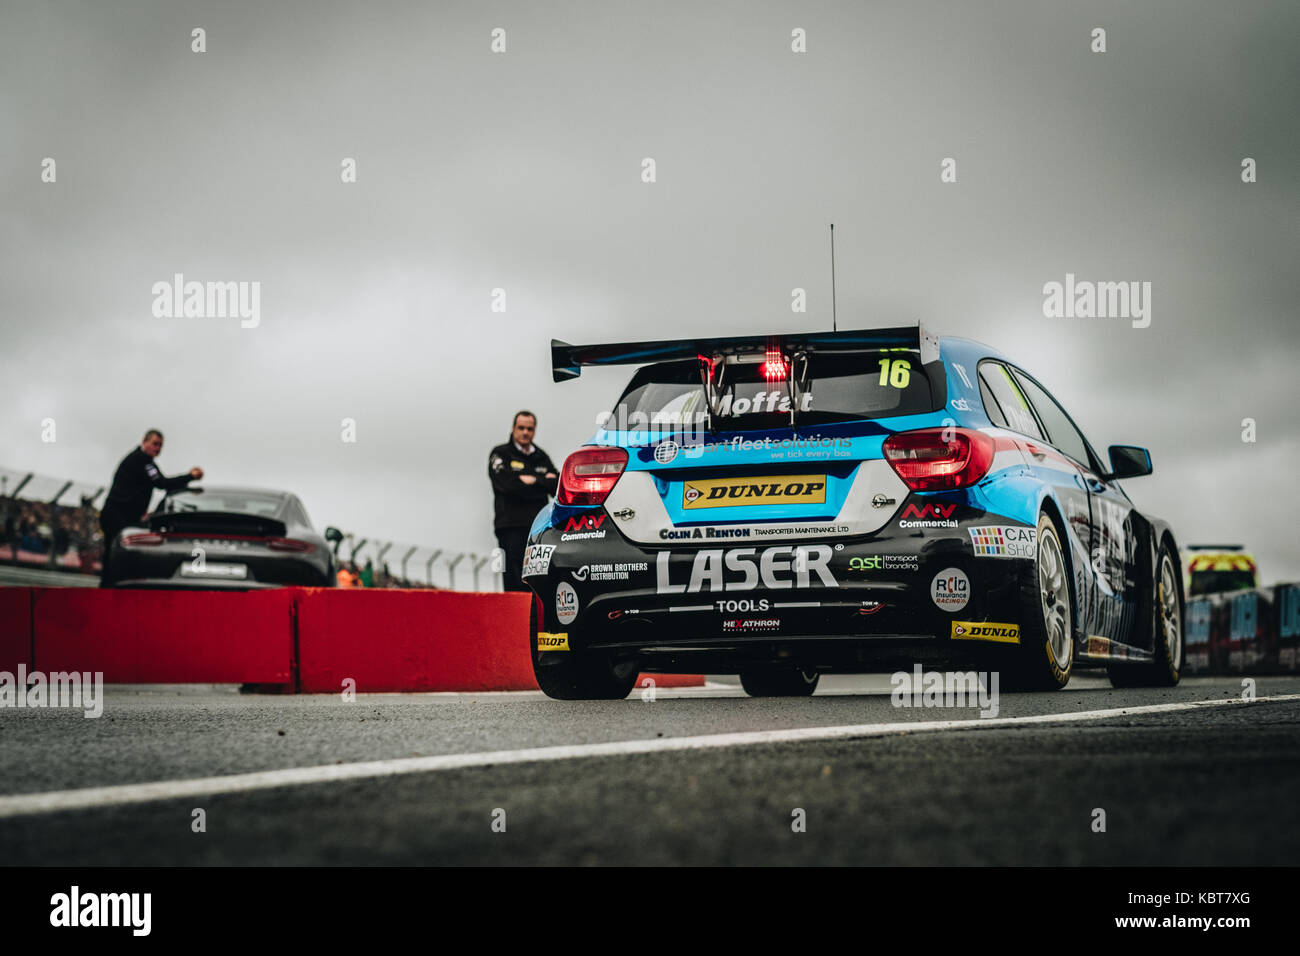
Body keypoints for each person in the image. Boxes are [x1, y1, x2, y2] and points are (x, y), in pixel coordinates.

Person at [99, 429, 203, 586]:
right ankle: (108, 590)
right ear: (144, 442)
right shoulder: (142, 461)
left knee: (114, 555)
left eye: (160, 445)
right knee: (116, 555)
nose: (157, 448)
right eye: (155, 444)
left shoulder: (144, 462)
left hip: (122, 516)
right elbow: (163, 483)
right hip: (117, 516)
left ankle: (109, 588)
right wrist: (190, 476)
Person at [488, 410, 557, 591]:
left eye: (530, 428)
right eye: (521, 428)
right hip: (510, 528)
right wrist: (541, 482)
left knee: (538, 581)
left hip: (538, 530)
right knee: (513, 583)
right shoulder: (500, 453)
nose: (525, 432)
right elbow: (508, 485)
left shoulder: (541, 456)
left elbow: (556, 485)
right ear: (513, 429)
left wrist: (531, 480)